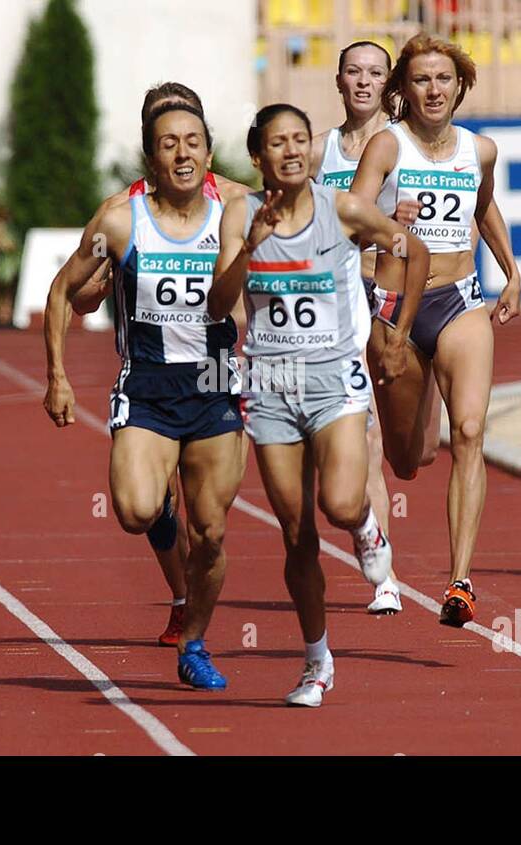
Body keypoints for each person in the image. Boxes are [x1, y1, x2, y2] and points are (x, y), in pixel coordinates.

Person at [210, 104, 430, 707]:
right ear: (258, 156)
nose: (292, 151)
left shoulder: (342, 208)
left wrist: (399, 330)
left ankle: (364, 525)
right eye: (278, 143)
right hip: (272, 387)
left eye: (301, 139)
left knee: (337, 502)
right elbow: (215, 305)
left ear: (312, 147)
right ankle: (316, 662)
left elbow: (413, 252)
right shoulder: (241, 214)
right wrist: (247, 250)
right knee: (297, 535)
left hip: (335, 379)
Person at [44, 103, 245, 689]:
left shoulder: (236, 213)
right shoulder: (121, 221)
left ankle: (196, 640)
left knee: (210, 531)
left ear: (208, 154)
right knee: (135, 510)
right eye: (168, 144)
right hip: (148, 389)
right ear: (150, 158)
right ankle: (162, 508)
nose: (182, 153)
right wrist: (57, 374)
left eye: (192, 142)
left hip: (214, 385)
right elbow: (64, 293)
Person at [350, 33, 521, 628]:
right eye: (421, 80)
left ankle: (460, 581)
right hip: (396, 307)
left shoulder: (480, 151)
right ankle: (416, 403)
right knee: (409, 458)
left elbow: (483, 208)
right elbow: (349, 222)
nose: (433, 90)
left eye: (443, 79)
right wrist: (383, 222)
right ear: (403, 89)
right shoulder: (386, 146)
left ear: (460, 87)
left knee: (470, 431)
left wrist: (512, 272)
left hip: (459, 300)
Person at [311, 39, 421, 615]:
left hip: (397, 299)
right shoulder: (319, 151)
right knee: (369, 440)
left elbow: (458, 217)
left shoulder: (405, 144)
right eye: (353, 71)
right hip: (341, 306)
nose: (363, 81)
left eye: (375, 73)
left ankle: (425, 428)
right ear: (338, 81)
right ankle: (385, 574)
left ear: (389, 83)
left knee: (413, 452)